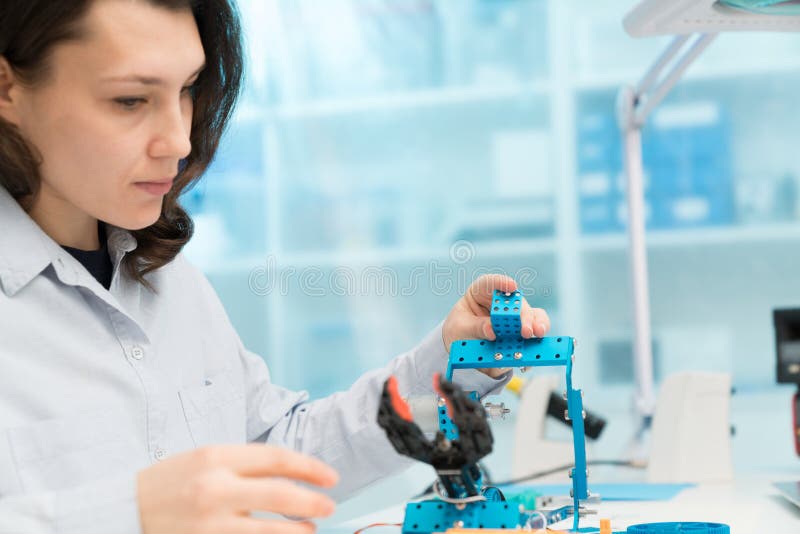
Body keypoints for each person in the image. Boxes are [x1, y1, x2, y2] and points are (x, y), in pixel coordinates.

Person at [0, 1, 551, 532]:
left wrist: (450, 364)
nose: (178, 140)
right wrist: (135, 515)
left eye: (188, 89)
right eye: (129, 100)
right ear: (8, 88)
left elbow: (276, 452)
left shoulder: (167, 275)